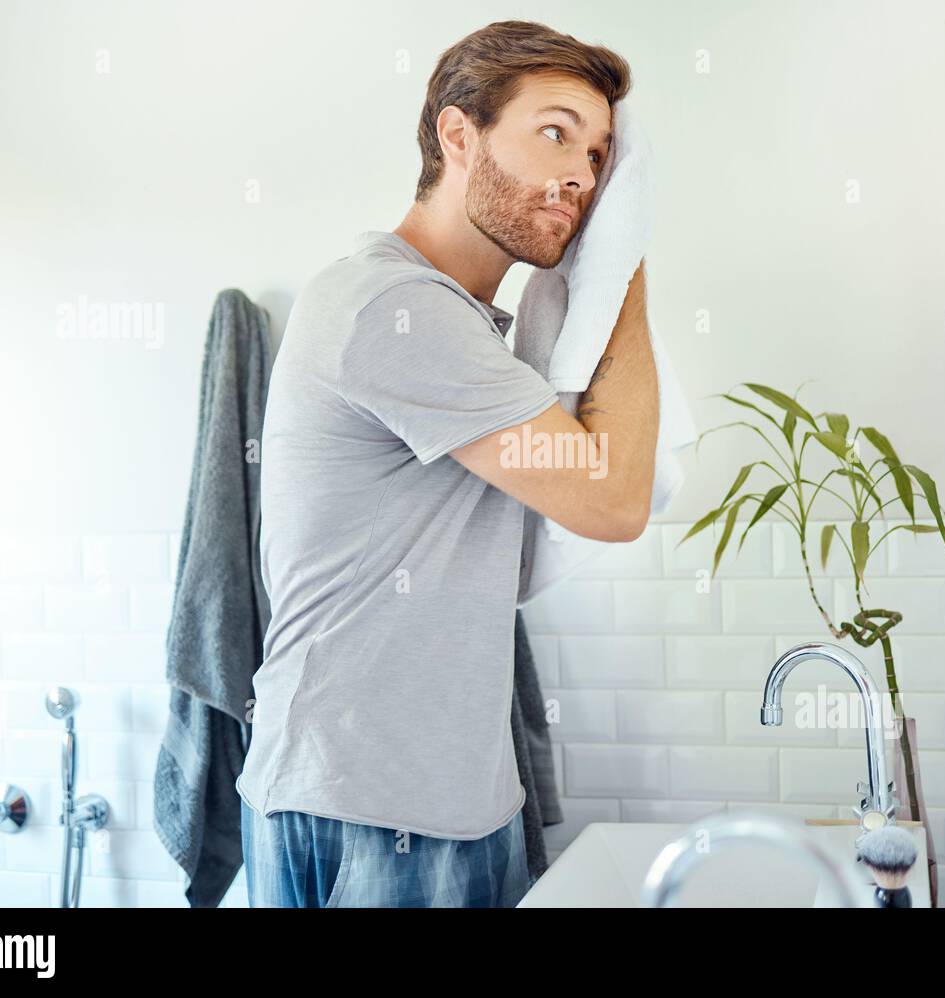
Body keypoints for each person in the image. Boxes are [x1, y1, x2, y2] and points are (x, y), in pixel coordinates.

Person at [236, 19, 659, 908]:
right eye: (554, 132)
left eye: (599, 154)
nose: (582, 175)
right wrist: (626, 261)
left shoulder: (462, 327)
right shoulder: (393, 308)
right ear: (457, 135)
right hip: (368, 810)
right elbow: (613, 500)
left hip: (446, 804)